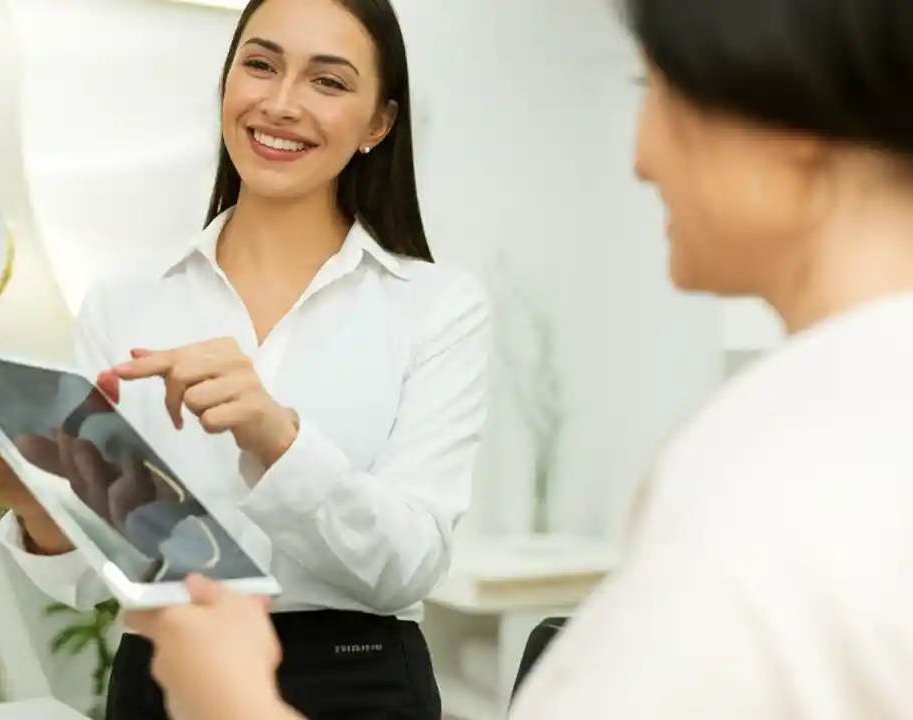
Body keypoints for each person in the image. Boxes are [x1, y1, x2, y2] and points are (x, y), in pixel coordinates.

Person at [118, 0, 913, 717]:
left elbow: (409, 563)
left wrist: (231, 699)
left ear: (790, 123)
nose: (641, 155)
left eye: (662, 94)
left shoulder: (790, 455)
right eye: (261, 64)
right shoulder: (791, 425)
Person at [0, 0, 493, 717]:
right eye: (261, 65)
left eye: (328, 81)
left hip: (358, 685)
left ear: (379, 123)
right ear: (227, 82)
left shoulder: (436, 306)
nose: (281, 103)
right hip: (164, 680)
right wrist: (41, 508)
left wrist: (279, 439)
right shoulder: (124, 302)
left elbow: (409, 568)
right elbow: (97, 578)